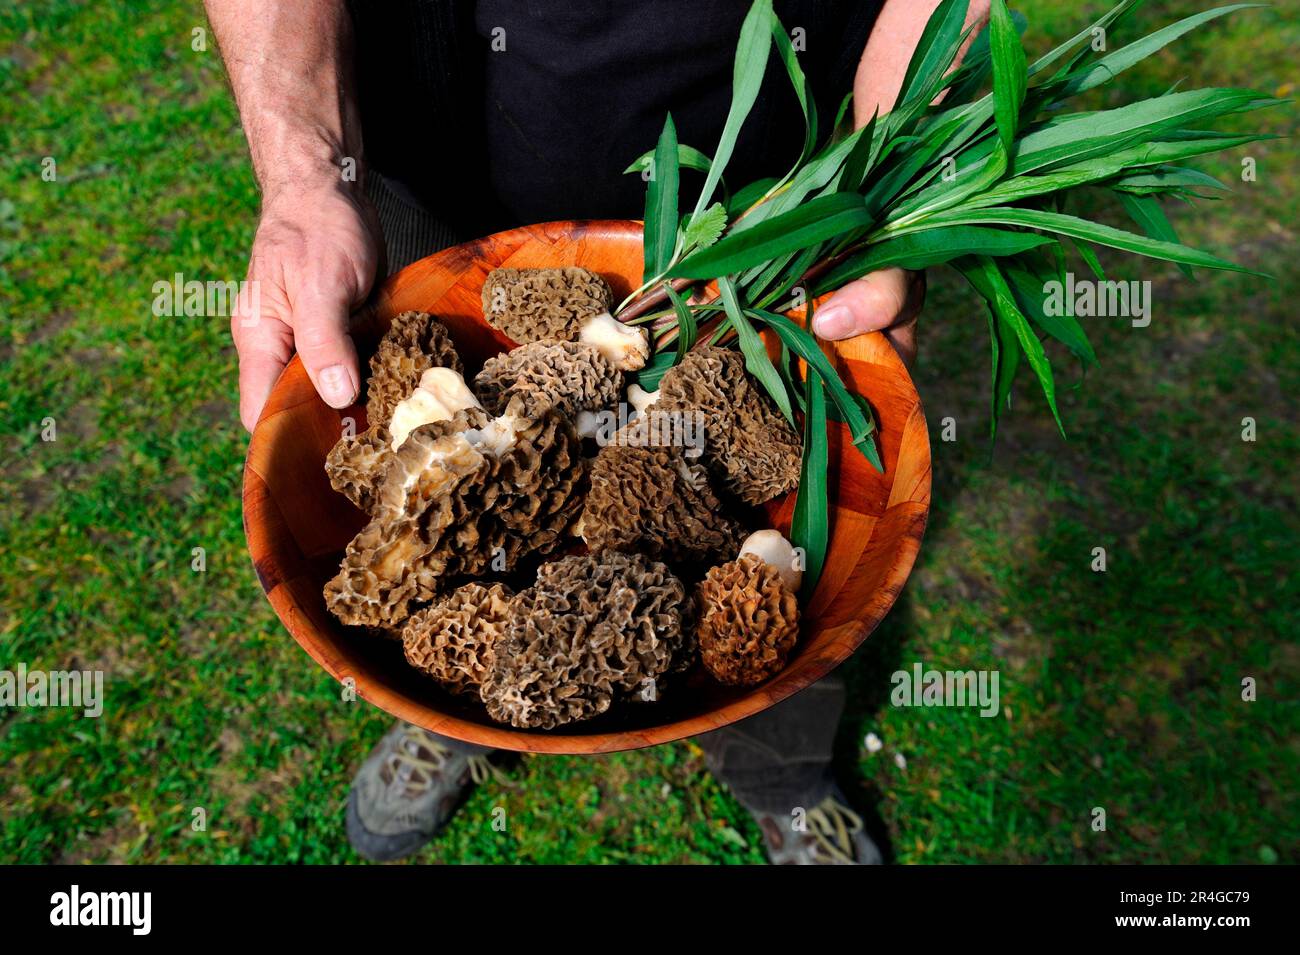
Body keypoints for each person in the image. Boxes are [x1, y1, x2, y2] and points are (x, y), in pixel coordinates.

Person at [210, 0, 988, 864]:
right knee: (454, 591)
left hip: (752, 167)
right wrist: (303, 168)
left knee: (795, 572)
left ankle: (783, 775)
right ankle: (459, 717)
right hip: (428, 152)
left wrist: (882, 180)